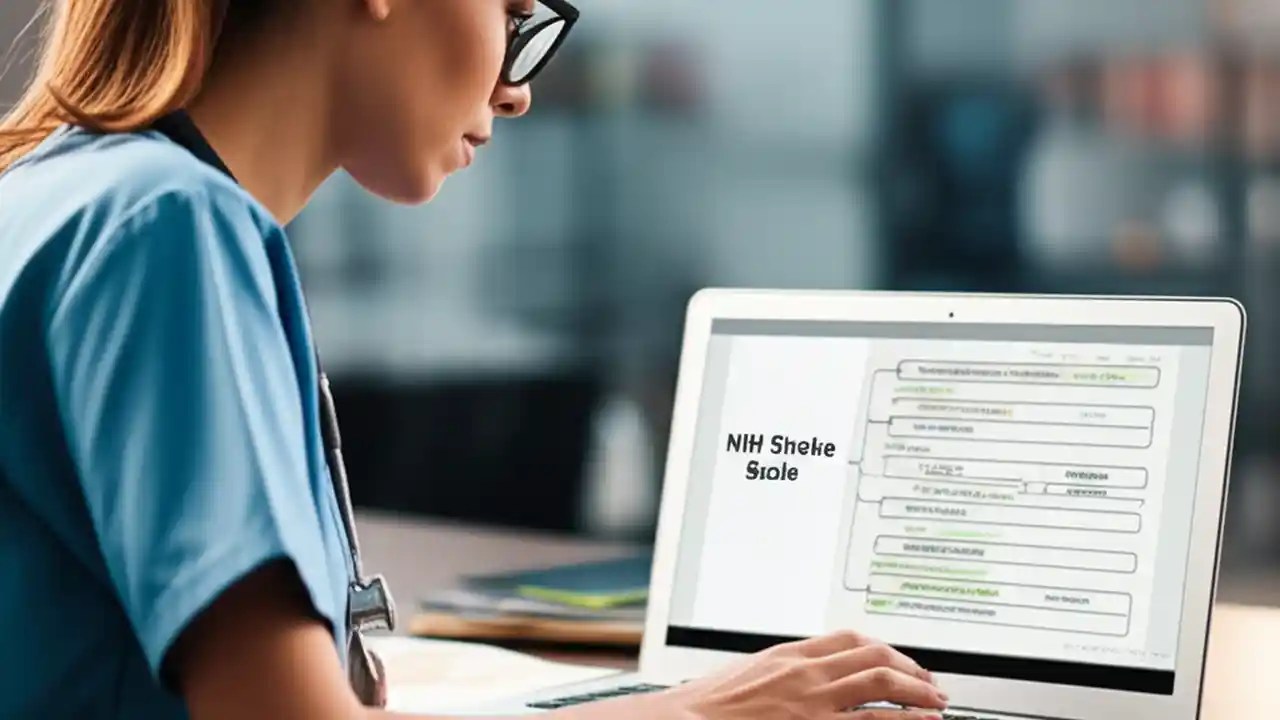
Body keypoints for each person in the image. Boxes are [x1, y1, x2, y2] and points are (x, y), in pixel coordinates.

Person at [0, 1, 950, 719]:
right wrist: (690, 711)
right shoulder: (173, 228)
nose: (517, 87)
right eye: (514, 16)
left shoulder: (55, 198)